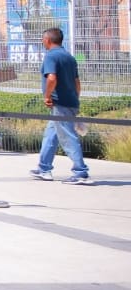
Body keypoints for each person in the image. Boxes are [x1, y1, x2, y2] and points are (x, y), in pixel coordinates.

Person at [31, 27, 89, 183]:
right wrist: (74, 99)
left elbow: (51, 78)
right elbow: (77, 83)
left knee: (67, 136)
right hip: (70, 101)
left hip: (60, 104)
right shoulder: (69, 57)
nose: (43, 42)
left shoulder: (51, 56)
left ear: (48, 40)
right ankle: (44, 168)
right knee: (51, 134)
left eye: (43, 39)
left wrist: (47, 96)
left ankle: (80, 171)